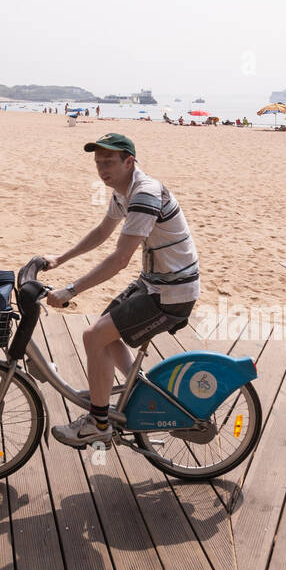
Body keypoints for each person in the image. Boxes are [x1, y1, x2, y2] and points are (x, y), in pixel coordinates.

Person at [41, 133, 200, 447]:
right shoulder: (121, 192)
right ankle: (141, 396)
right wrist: (61, 258)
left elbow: (120, 259)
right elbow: (102, 231)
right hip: (155, 282)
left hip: (172, 293)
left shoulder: (144, 194)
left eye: (109, 162)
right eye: (98, 162)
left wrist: (71, 290)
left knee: (94, 336)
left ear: (130, 162)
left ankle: (99, 423)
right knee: (105, 331)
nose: (102, 169)